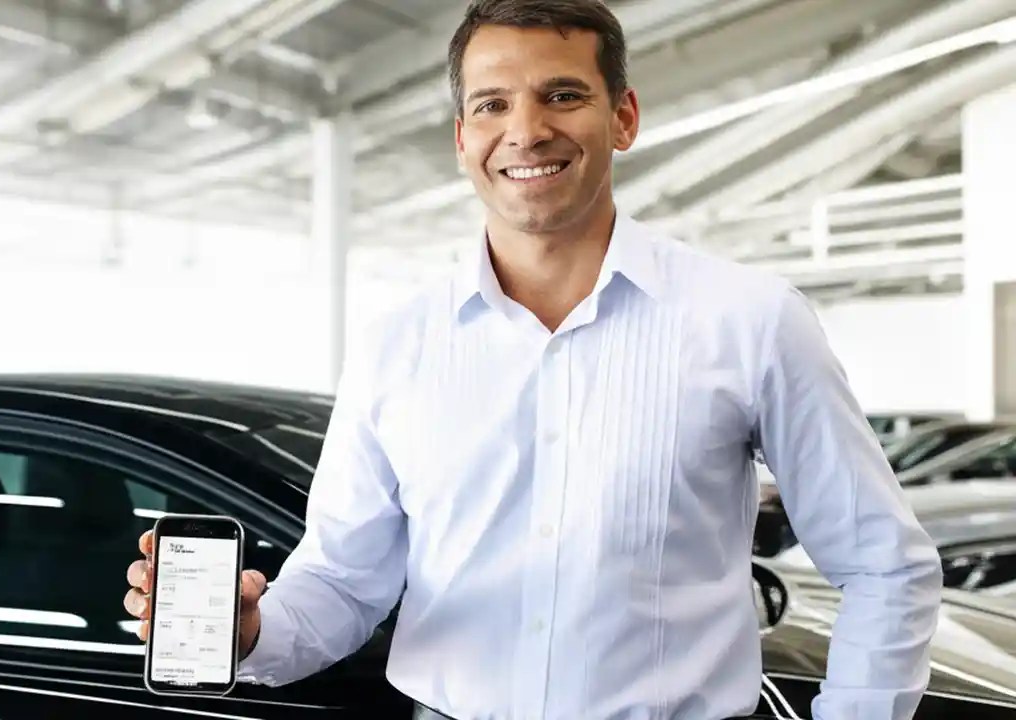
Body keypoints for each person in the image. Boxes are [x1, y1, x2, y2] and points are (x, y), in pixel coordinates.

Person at [125, 0, 943, 717]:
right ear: (461, 137)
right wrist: (252, 631)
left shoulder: (752, 321)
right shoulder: (397, 347)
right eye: (492, 104)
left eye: (562, 95)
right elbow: (344, 583)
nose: (526, 130)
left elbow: (884, 567)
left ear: (623, 117)